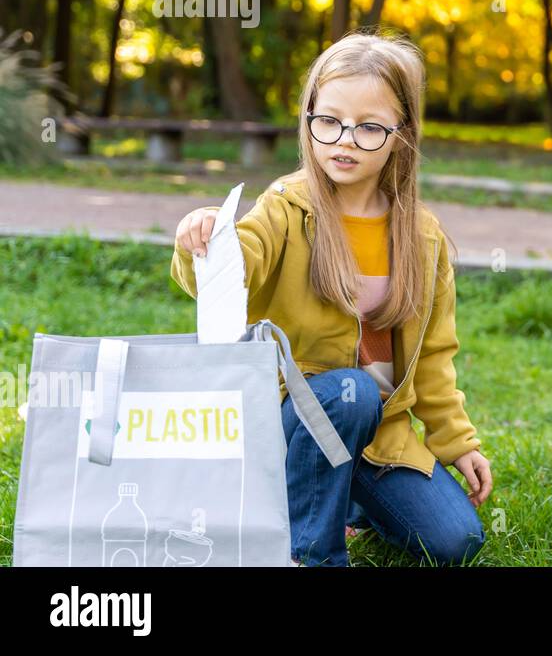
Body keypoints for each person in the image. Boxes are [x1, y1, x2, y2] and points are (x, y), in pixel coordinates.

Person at [171, 31, 491, 566]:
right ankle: (310, 554)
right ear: (310, 119)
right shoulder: (285, 207)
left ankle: (345, 499)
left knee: (455, 541)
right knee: (350, 391)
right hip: (287, 424)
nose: (345, 140)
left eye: (369, 127)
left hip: (377, 436)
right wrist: (205, 239)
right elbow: (235, 268)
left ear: (401, 133)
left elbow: (433, 356)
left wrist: (457, 442)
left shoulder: (423, 237)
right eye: (330, 121)